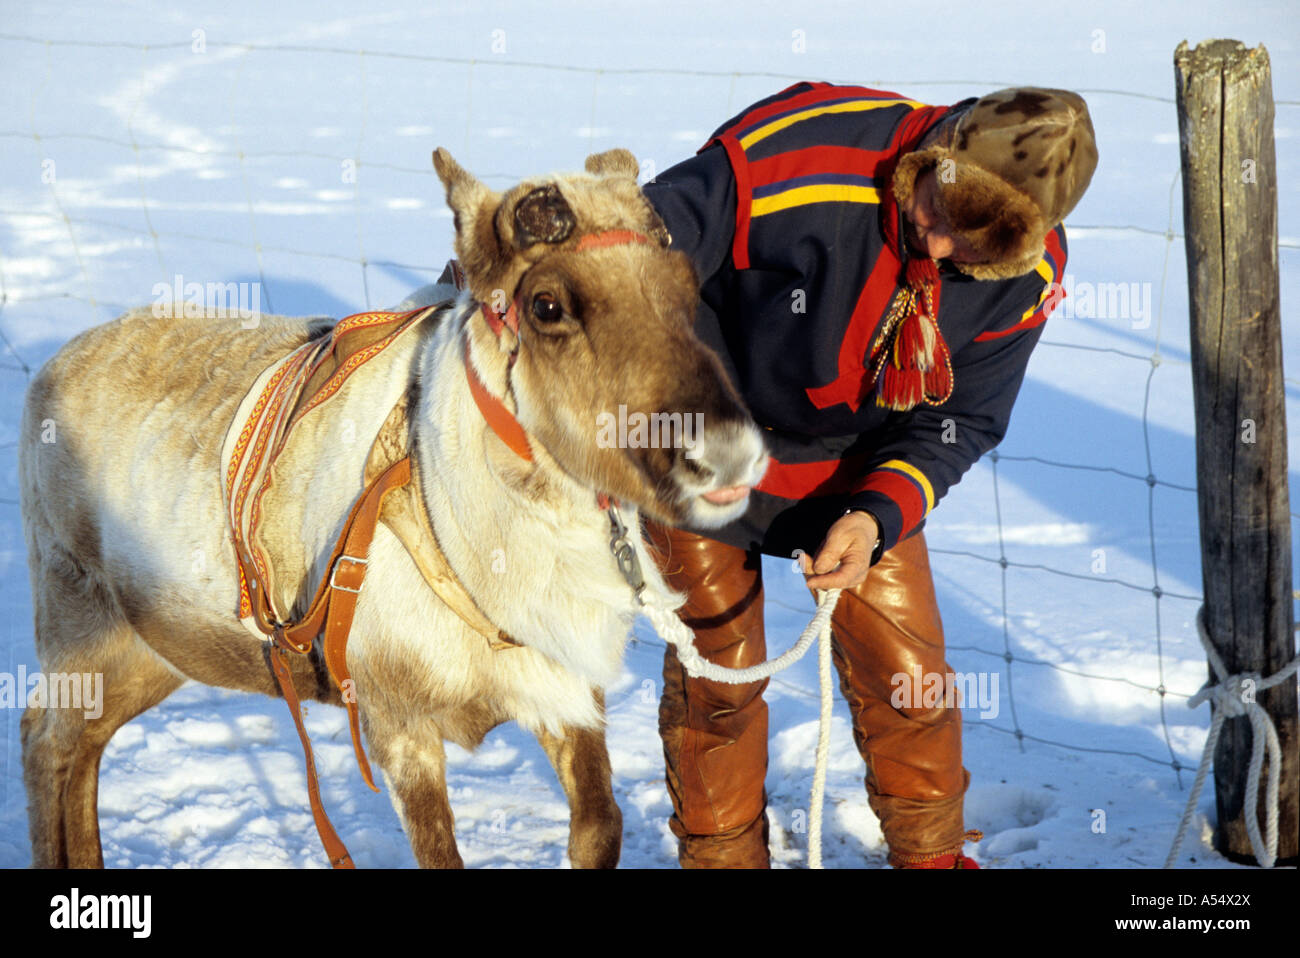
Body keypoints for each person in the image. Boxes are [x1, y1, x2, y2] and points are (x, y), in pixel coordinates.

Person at [640, 82, 1097, 868]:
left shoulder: (1023, 280)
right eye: (940, 212)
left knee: (909, 676)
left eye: (976, 248)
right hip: (703, 432)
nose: (942, 250)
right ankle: (720, 860)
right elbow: (638, 256)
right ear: (937, 152)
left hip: (853, 465)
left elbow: (963, 420)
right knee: (718, 676)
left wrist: (874, 517)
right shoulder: (800, 157)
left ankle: (932, 858)